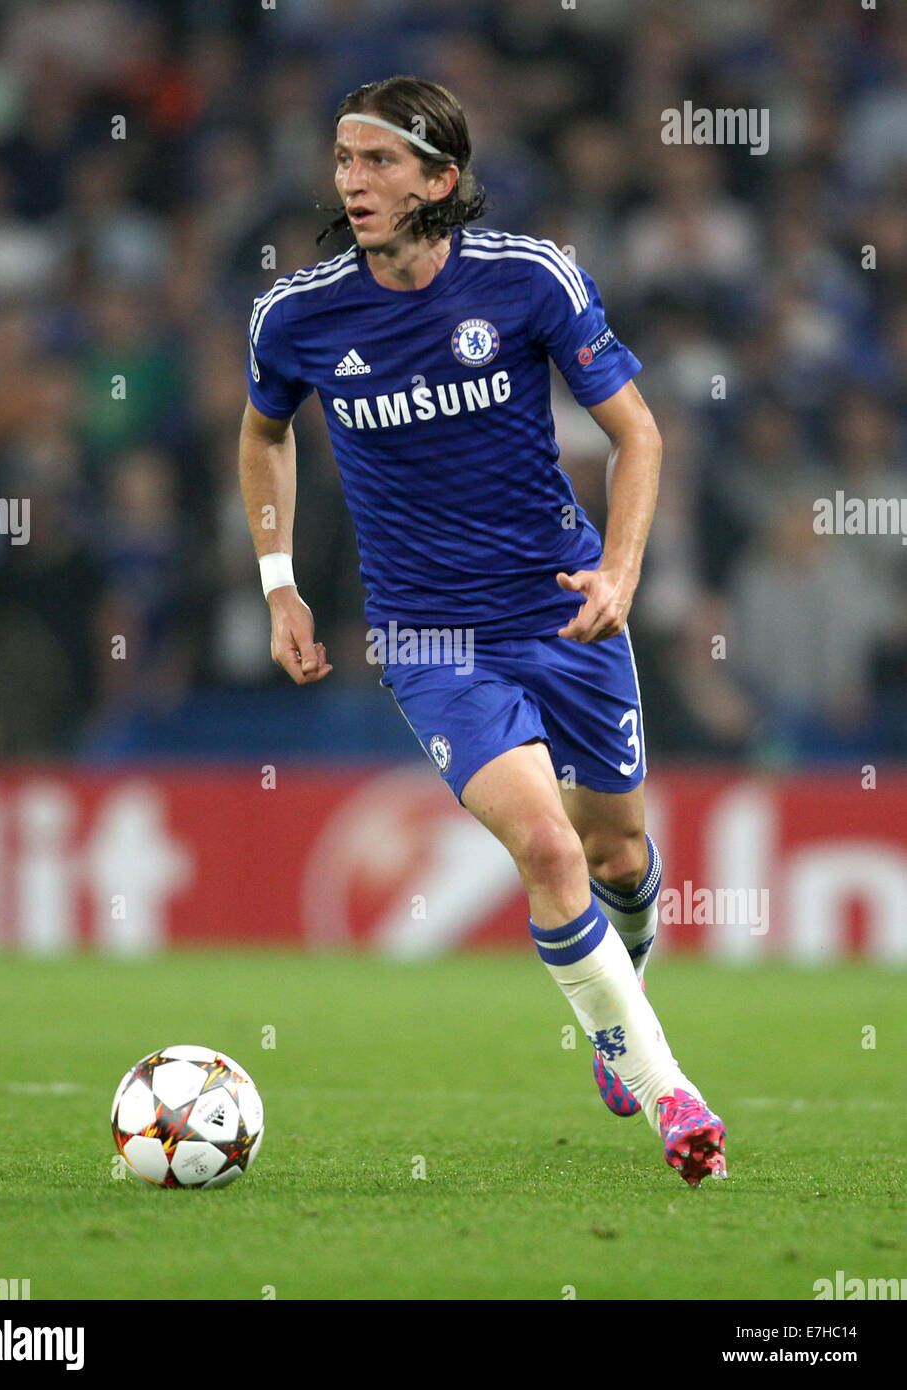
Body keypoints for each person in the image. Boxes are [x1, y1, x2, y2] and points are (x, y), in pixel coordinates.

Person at [239, 76, 726, 1186]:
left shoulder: (527, 279)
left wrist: (620, 566)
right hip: (427, 636)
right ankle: (672, 1098)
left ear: (438, 180)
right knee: (546, 848)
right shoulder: (298, 314)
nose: (349, 181)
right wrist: (279, 583)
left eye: (375, 162)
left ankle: (624, 993)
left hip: (563, 610)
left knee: (617, 851)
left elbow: (637, 434)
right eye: (341, 159)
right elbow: (262, 434)